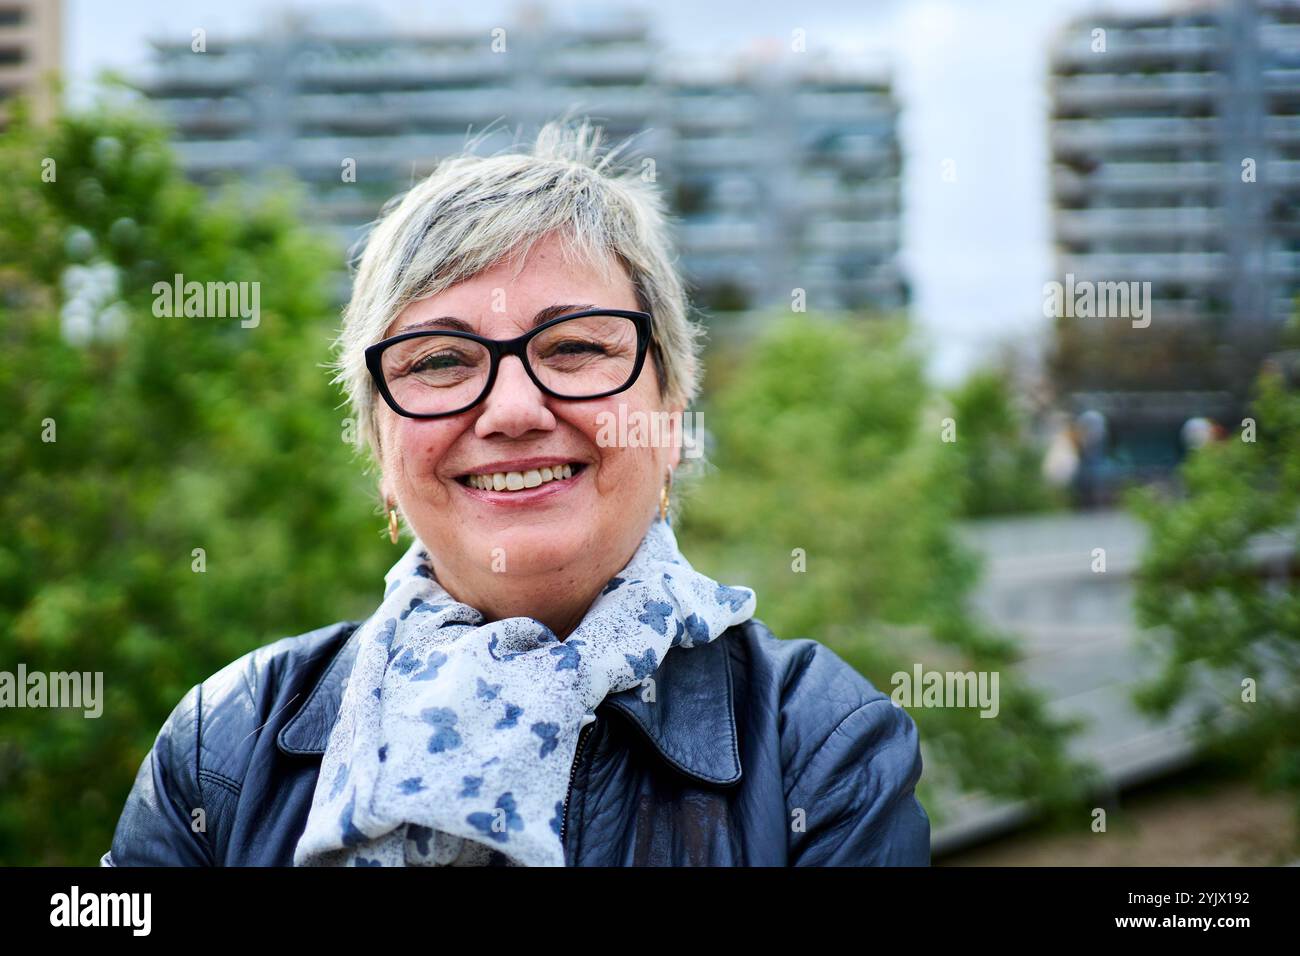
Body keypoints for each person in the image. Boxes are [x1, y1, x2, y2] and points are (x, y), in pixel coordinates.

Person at [102, 120, 930, 866]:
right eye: (438, 362)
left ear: (671, 417)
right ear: (382, 453)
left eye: (572, 348)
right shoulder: (222, 745)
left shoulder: (822, 744)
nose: (513, 410)